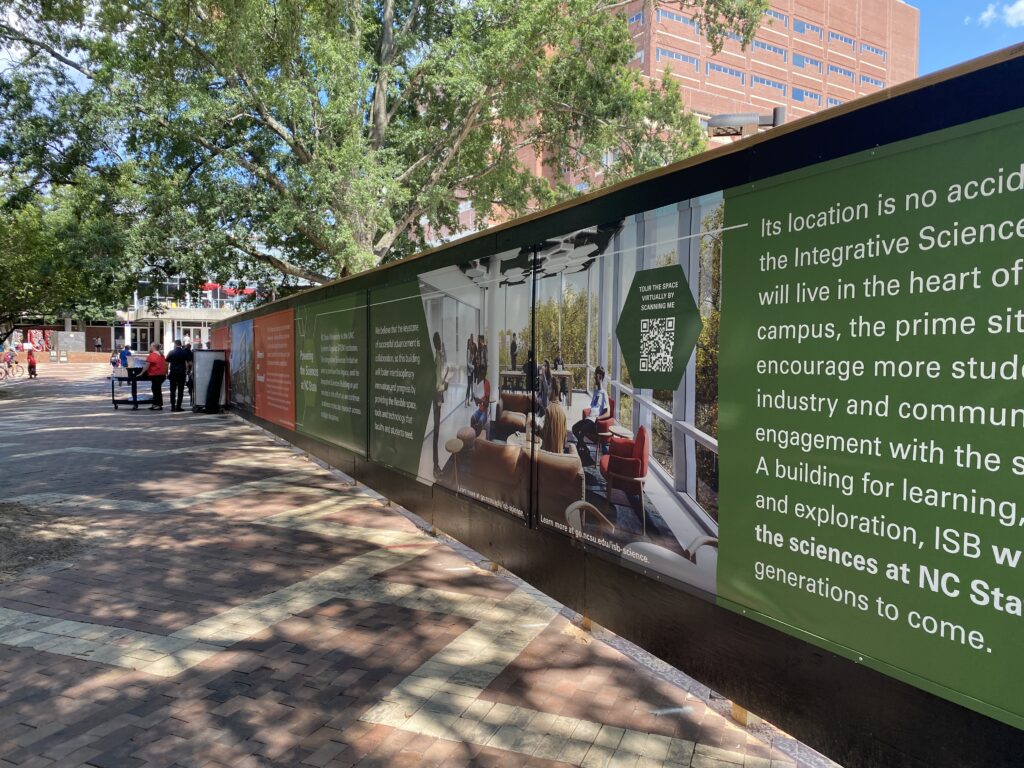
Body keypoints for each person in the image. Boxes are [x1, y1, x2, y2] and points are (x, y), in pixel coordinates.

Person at [571, 366, 610, 467]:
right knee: (574, 428)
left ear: (600, 377)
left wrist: (599, 418)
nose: (595, 378)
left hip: (594, 422)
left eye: (596, 376)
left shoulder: (604, 394)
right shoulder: (596, 391)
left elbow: (608, 412)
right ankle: (585, 449)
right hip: (589, 418)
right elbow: (592, 407)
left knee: (582, 432)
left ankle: (578, 454)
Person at [431, 331, 450, 475]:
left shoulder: (439, 356)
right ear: (435, 343)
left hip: (438, 396)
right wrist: (445, 386)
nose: (440, 343)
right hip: (436, 396)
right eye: (439, 341)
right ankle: (435, 466)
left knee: (437, 431)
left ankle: (435, 464)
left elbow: (445, 369)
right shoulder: (436, 358)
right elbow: (437, 384)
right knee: (436, 432)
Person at [165, 339, 193, 412]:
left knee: (173, 390)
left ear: (175, 344)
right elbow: (190, 363)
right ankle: (178, 406)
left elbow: (166, 364)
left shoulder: (171, 352)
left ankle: (173, 407)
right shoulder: (184, 352)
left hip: (173, 373)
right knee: (181, 390)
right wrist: (189, 371)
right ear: (180, 344)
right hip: (181, 373)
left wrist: (166, 373)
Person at [140, 342, 168, 410]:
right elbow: (165, 364)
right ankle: (155, 404)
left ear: (153, 347)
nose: (150, 347)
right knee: (156, 389)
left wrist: (141, 373)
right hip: (162, 375)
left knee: (156, 390)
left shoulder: (152, 355)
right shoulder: (162, 355)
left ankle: (158, 405)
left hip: (156, 375)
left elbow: (146, 366)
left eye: (151, 346)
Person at [465, 335, 476, 407]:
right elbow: (468, 363)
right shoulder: (468, 351)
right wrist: (473, 367)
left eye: (471, 343)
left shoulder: (471, 351)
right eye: (469, 343)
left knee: (471, 385)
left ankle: (470, 399)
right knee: (469, 386)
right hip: (469, 372)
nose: (470, 344)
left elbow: (471, 361)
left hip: (471, 372)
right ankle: (466, 400)